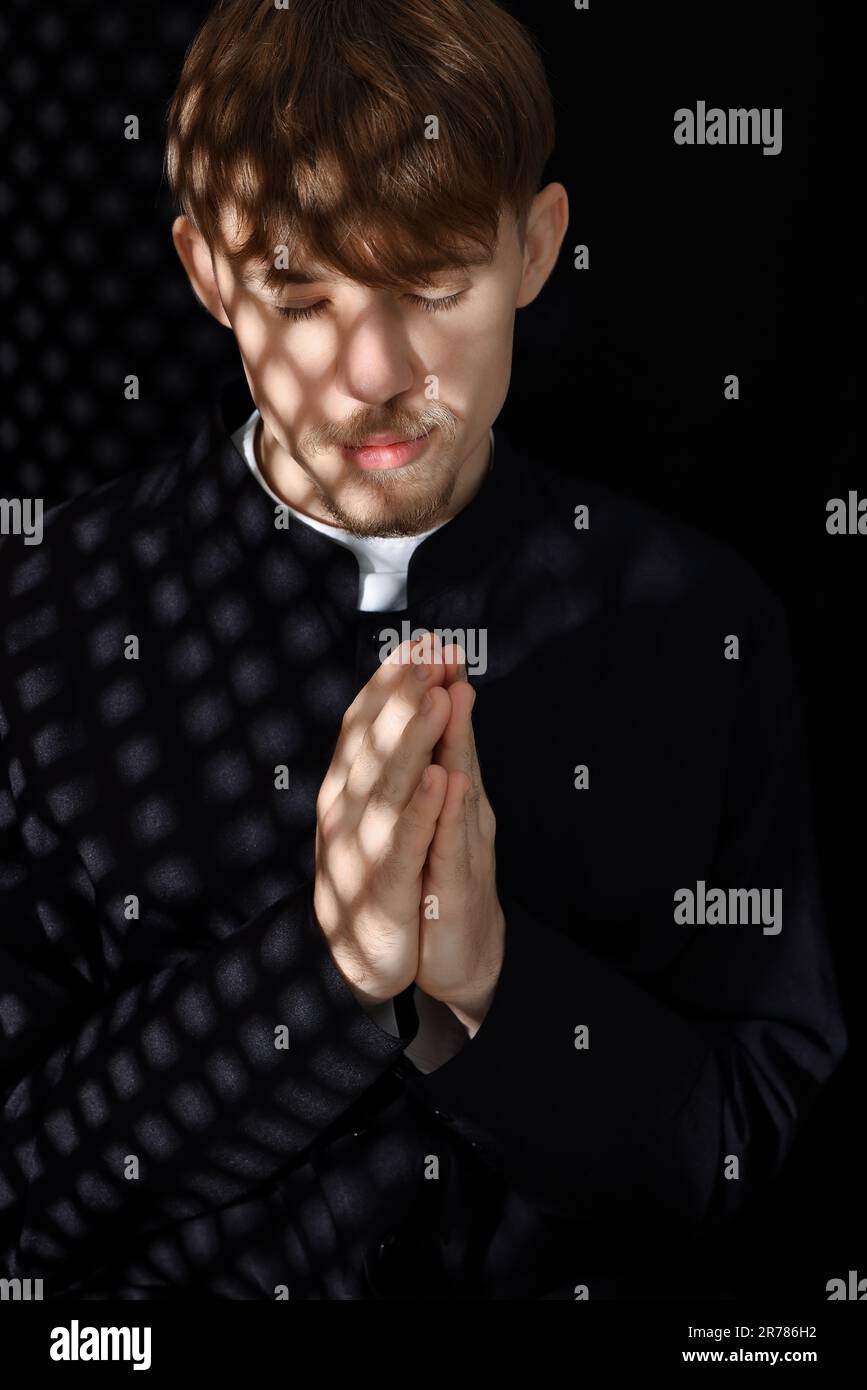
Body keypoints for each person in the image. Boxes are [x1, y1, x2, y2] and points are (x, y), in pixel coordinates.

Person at [0, 0, 847, 1300]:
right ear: (207, 274)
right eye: (297, 288)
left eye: (434, 280)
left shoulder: (703, 622)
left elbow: (746, 1154)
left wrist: (494, 979)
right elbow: (25, 1186)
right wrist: (328, 964)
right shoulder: (48, 622)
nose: (373, 371)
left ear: (535, 246)